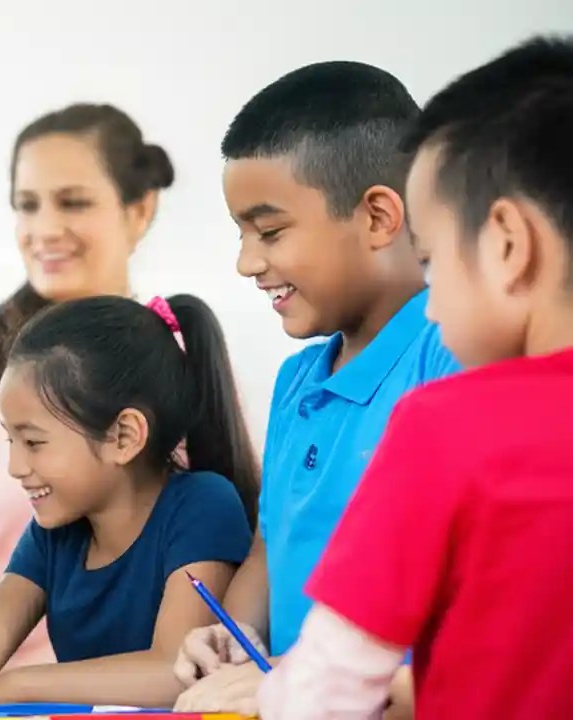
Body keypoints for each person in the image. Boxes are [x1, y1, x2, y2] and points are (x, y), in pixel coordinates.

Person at [260, 35, 573, 720]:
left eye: (431, 261)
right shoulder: (301, 383)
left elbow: (325, 693)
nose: (430, 304)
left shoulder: (446, 422)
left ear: (508, 244)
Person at [172, 61, 460, 714]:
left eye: (270, 232)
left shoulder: (452, 357)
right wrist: (236, 635)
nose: (247, 262)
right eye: (241, 234)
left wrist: (306, 682)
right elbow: (271, 550)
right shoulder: (296, 381)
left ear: (379, 216)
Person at [0, 295, 257, 709]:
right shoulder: (53, 534)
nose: (15, 467)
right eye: (10, 440)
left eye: (33, 442)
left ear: (124, 437)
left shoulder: (203, 506)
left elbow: (175, 671)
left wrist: (17, 685)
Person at [0, 103, 179, 667]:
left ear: (140, 209)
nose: (45, 229)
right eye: (28, 205)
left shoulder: (185, 365)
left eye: (73, 202)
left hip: (141, 694)